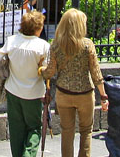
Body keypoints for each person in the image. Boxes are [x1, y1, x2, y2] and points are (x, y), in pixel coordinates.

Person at [40, 9, 108, 157]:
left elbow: (50, 72)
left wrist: (41, 70)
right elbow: (96, 72)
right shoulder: (87, 45)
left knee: (66, 131)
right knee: (86, 131)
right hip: (85, 94)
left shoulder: (56, 44)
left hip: (64, 93)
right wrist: (103, 96)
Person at [0, 10, 50, 157]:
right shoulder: (42, 46)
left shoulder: (12, 41)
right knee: (34, 127)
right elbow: (47, 70)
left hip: (13, 90)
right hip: (34, 93)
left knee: (16, 129)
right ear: (37, 28)